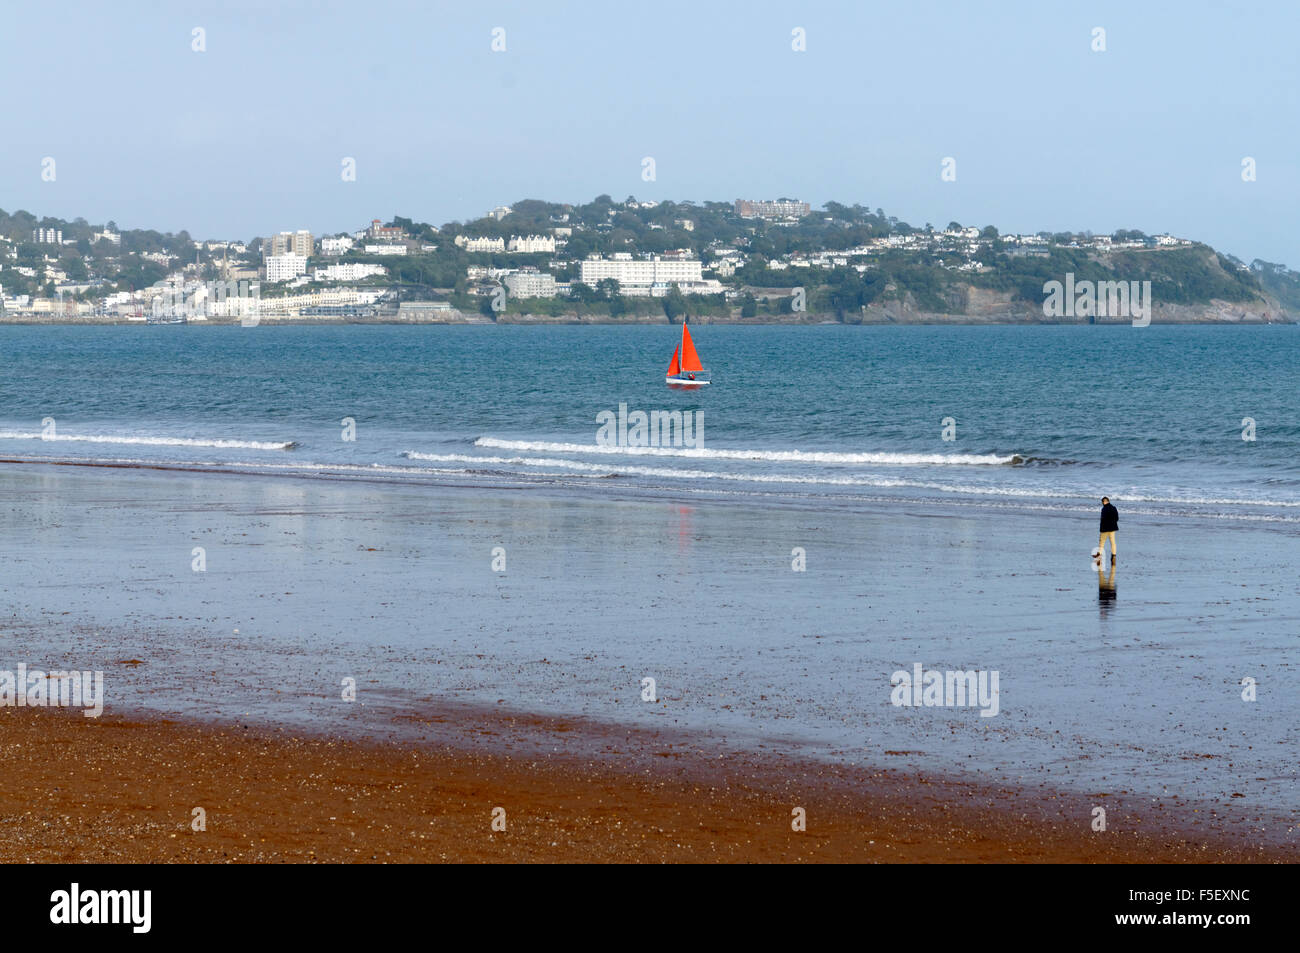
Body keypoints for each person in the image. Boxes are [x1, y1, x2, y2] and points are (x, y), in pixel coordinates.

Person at [1099, 497, 1118, 564]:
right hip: (1112, 529)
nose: (1102, 504)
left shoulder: (1104, 509)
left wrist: (1101, 529)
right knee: (1113, 543)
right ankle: (1114, 556)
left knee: (1101, 543)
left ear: (1104, 502)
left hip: (1104, 529)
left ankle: (1099, 558)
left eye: (1102, 502)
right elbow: (1117, 518)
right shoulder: (1114, 508)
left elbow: (1103, 519)